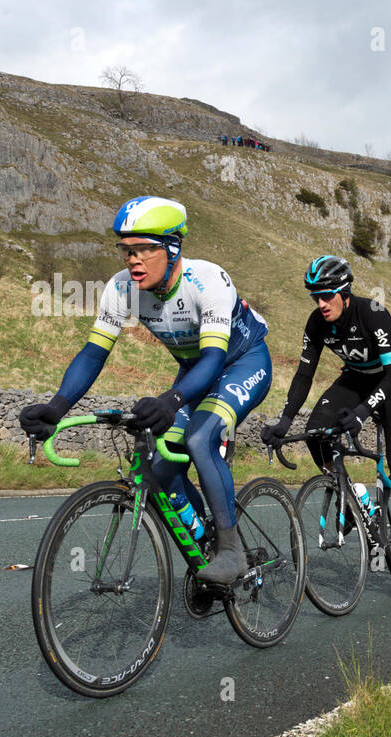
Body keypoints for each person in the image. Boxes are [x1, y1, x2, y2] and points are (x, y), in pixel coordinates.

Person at [18, 196, 271, 585]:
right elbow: (93, 353)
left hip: (239, 363)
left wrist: (171, 400)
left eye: (143, 249)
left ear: (172, 248)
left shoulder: (208, 280)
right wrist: (57, 406)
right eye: (125, 249)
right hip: (194, 372)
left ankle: (232, 551)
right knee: (161, 466)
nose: (132, 259)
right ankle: (204, 545)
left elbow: (214, 358)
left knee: (201, 438)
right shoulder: (121, 289)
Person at [261, 254, 391, 580]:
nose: (321, 303)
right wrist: (284, 420)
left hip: (390, 383)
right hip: (354, 379)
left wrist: (363, 412)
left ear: (344, 291)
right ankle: (352, 497)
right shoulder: (316, 322)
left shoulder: (372, 313)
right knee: (315, 432)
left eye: (327, 295)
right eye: (315, 296)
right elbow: (304, 374)